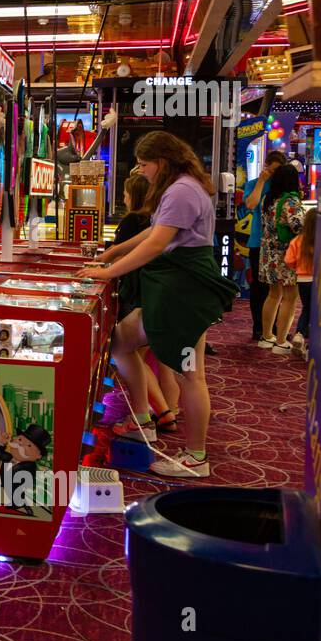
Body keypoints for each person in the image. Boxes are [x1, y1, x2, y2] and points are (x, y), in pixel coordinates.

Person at [77, 131, 238, 478]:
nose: (140, 170)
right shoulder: (182, 185)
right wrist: (112, 253)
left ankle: (196, 457)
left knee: (190, 374)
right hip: (177, 287)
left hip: (183, 292)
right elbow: (152, 232)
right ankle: (142, 422)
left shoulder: (181, 189)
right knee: (120, 341)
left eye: (143, 163)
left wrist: (108, 272)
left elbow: (155, 244)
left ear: (161, 162)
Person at [110, 170, 180, 437]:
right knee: (164, 361)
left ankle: (159, 414)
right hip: (164, 294)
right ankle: (168, 410)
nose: (124, 198)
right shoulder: (156, 221)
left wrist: (105, 268)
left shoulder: (133, 221)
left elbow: (122, 255)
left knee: (132, 355)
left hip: (140, 295)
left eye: (126, 193)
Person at [258, 163, 307, 353]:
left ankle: (267, 336)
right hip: (287, 255)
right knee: (290, 297)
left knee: (273, 294)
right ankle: (280, 341)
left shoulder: (268, 200)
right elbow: (300, 227)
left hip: (268, 253)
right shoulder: (291, 203)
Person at [243, 150, 288, 340]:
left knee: (277, 288)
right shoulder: (254, 184)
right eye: (272, 169)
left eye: (279, 170)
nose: (275, 173)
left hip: (279, 243)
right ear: (266, 166)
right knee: (259, 287)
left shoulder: (284, 186)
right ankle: (259, 327)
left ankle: (275, 327)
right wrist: (261, 181)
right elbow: (251, 204)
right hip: (258, 242)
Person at [286, 207, 317, 356]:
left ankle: (299, 333)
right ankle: (314, 343)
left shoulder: (298, 240)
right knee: (317, 310)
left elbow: (288, 260)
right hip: (318, 279)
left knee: (306, 308)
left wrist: (297, 267)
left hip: (302, 280)